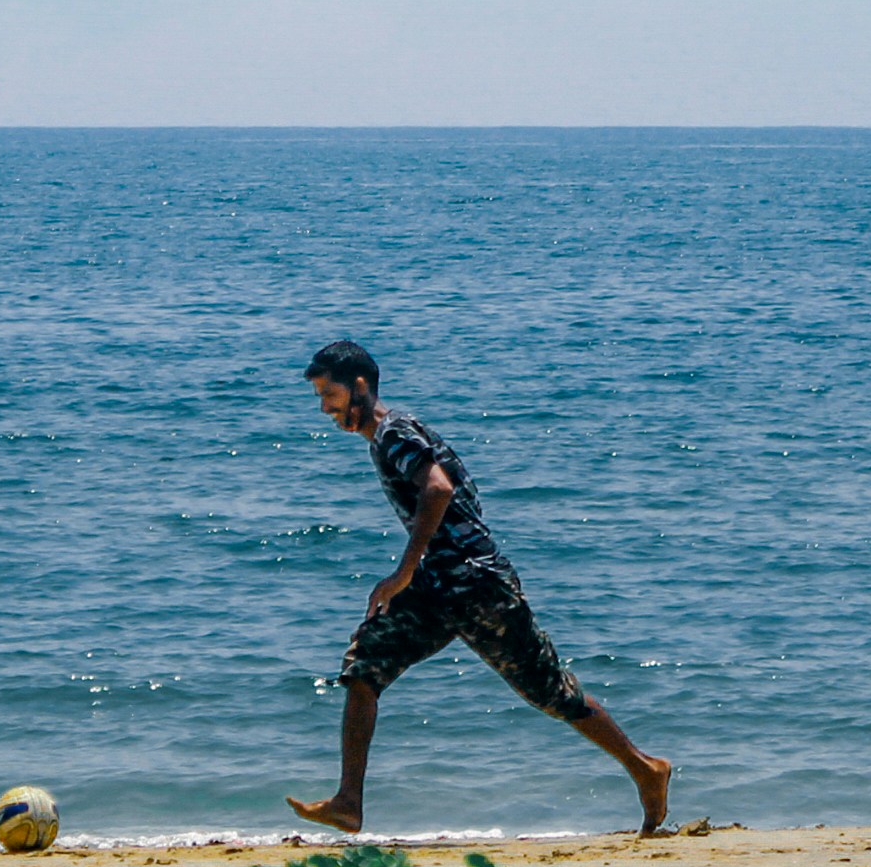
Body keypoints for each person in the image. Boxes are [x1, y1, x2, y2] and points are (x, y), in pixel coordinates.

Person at [287, 339, 670, 836]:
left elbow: (439, 488)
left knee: (551, 691)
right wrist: (415, 574)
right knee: (365, 664)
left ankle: (645, 768)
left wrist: (404, 569)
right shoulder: (391, 433)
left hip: (473, 581)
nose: (324, 407)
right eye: (318, 396)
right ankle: (348, 802)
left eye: (329, 393)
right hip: (441, 582)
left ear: (359, 386)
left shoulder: (392, 432)